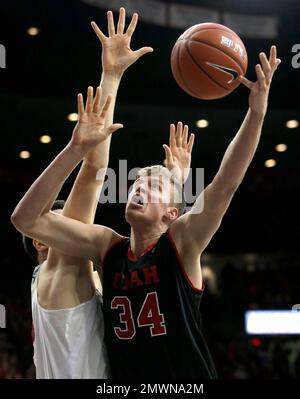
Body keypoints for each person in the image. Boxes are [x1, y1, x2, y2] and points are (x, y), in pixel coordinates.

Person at [11, 40, 281, 378]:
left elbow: (224, 185)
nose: (138, 187)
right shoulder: (107, 248)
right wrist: (166, 182)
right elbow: (27, 218)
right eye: (136, 183)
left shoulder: (180, 243)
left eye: (150, 187)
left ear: (172, 215)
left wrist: (255, 114)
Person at [16, 7, 153, 379]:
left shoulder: (65, 276)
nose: (79, 226)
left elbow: (93, 171)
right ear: (42, 242)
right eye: (60, 223)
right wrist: (110, 76)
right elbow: (93, 172)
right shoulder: (61, 266)